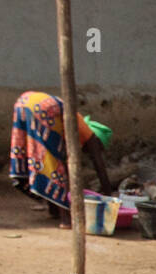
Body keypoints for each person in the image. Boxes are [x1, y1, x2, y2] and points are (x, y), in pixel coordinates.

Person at [9, 91, 114, 227]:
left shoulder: (66, 129)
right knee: (55, 165)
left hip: (24, 102)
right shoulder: (91, 137)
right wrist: (110, 200)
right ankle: (65, 219)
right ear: (99, 141)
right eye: (98, 149)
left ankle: (54, 209)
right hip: (44, 108)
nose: (88, 152)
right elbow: (100, 168)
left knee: (36, 154)